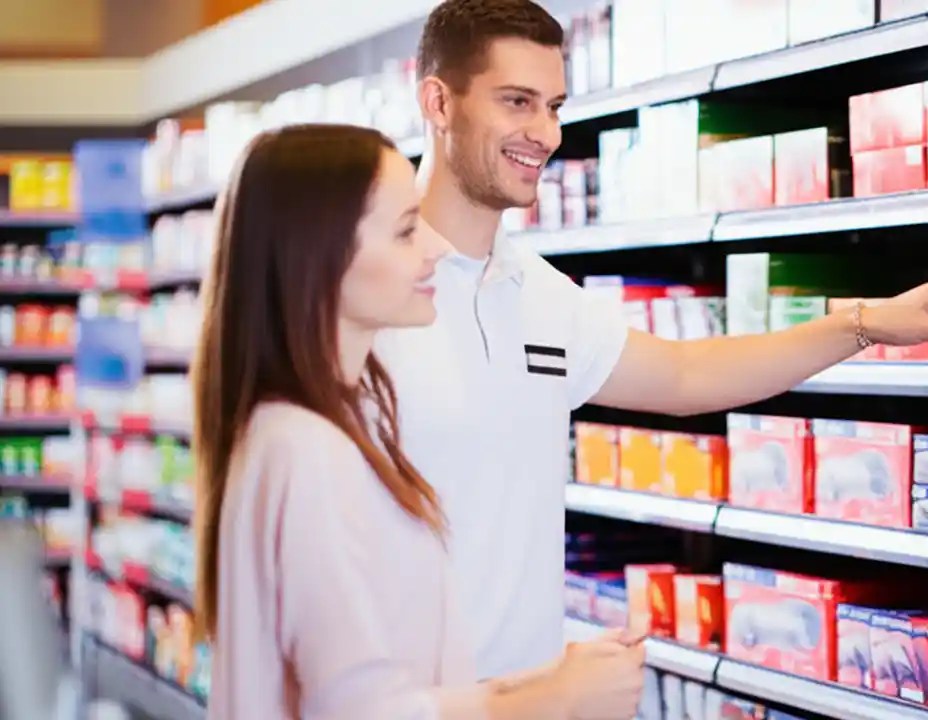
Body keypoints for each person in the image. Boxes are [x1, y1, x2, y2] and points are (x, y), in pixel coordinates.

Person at [377, 0, 928, 680]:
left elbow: (685, 376)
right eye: (517, 102)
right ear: (438, 102)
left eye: (554, 105)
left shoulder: (538, 292)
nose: (547, 132)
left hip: (532, 699)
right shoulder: (363, 294)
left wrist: (866, 323)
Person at [191, 123, 645, 720]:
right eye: (406, 231)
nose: (433, 249)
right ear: (320, 255)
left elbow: (394, 678)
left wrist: (544, 680)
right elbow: (356, 710)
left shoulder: (317, 430)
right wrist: (553, 700)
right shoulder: (306, 451)